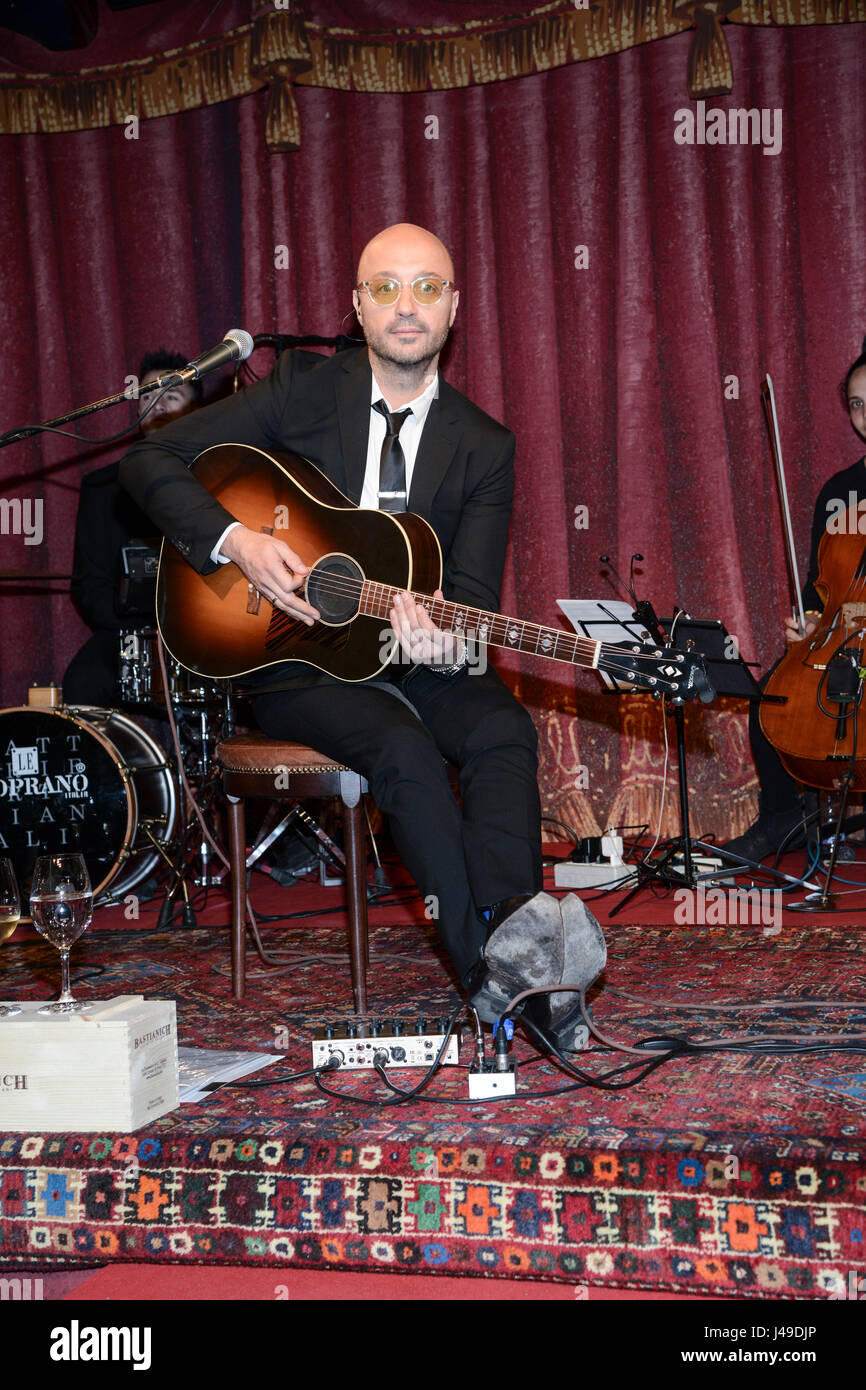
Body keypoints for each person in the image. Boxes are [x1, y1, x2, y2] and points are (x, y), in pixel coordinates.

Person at [117, 223, 604, 1048]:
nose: (405, 306)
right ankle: (496, 977)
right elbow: (151, 460)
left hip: (412, 657)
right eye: (385, 287)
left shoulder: (485, 446)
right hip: (287, 650)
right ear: (356, 306)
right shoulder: (303, 388)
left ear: (453, 308)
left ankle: (515, 946)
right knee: (404, 755)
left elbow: (474, 602)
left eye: (425, 288)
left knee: (501, 729)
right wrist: (238, 542)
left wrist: (444, 639)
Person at [725, 336, 866, 860]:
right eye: (856, 403)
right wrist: (809, 623)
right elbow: (818, 587)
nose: (865, 415)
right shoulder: (840, 492)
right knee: (774, 697)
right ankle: (784, 820)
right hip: (850, 640)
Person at [63, 352, 201, 706]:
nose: (156, 404)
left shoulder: (221, 476)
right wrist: (138, 633)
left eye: (170, 395)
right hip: (130, 634)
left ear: (197, 409)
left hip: (208, 629)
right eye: (147, 395)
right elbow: (89, 585)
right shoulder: (102, 487)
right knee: (83, 683)